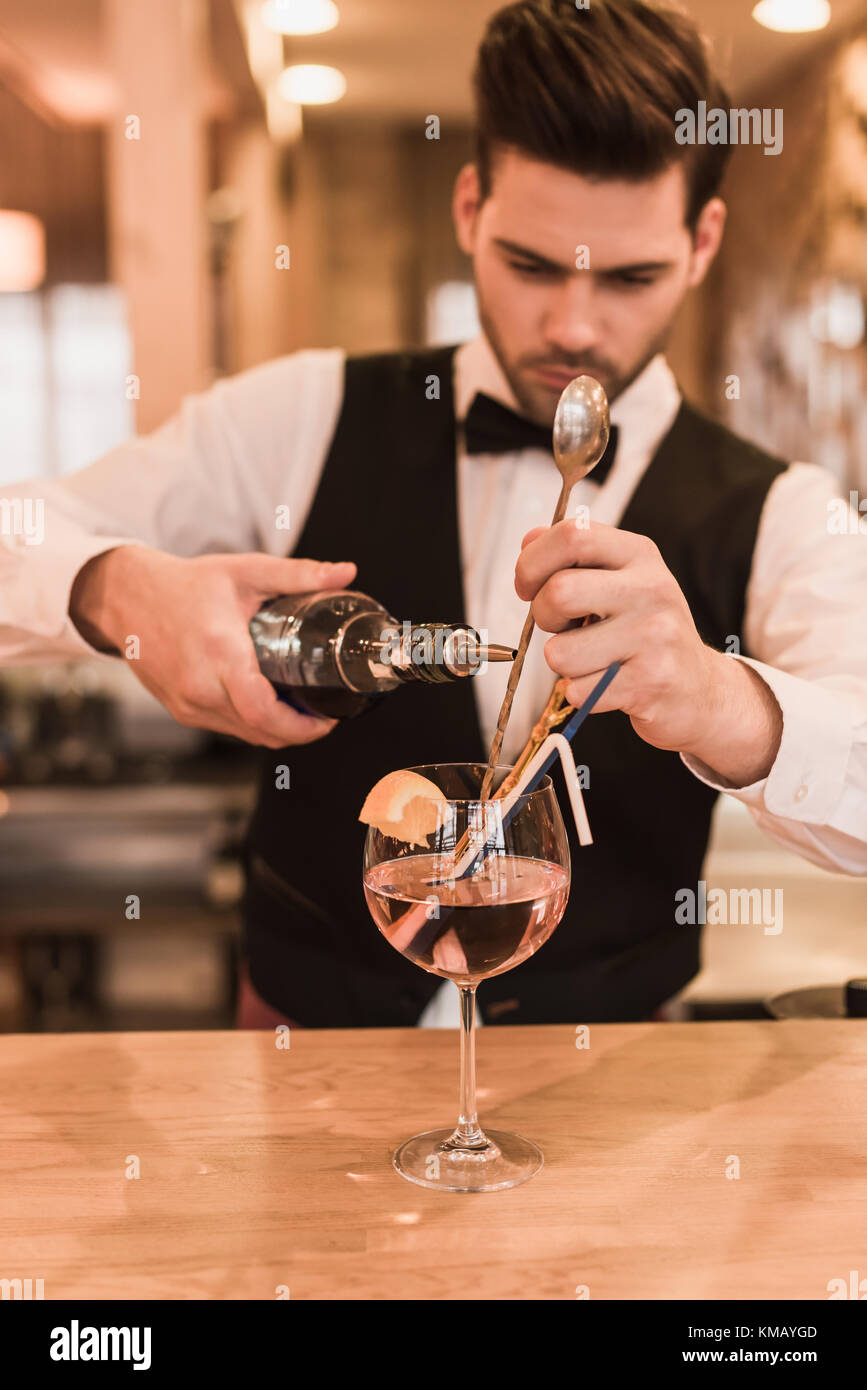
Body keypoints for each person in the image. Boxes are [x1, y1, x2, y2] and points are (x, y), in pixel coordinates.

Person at [1, 0, 865, 1031]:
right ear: (468, 211)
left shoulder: (783, 509)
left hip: (620, 1089)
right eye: (531, 263)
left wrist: (726, 702)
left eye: (631, 277)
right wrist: (111, 584)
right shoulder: (301, 412)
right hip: (300, 1054)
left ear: (703, 241)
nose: (574, 325)